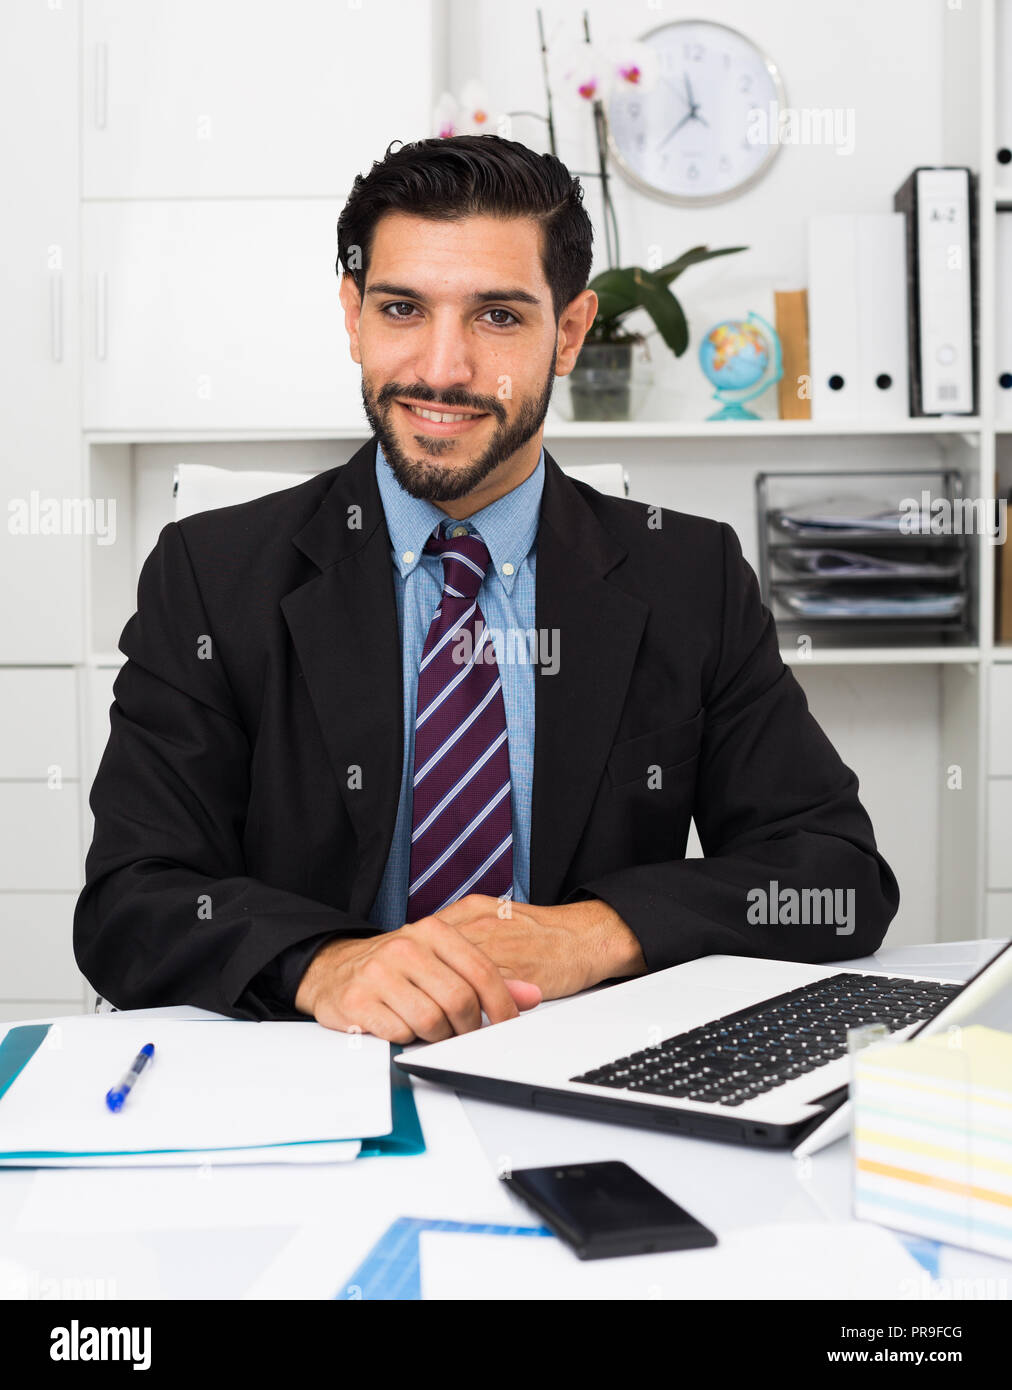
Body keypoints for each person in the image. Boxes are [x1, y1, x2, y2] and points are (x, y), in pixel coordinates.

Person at [74, 134, 899, 1043]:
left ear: (570, 333)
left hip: (583, 1069)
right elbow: (132, 901)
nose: (442, 369)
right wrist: (322, 964)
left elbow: (833, 881)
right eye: (401, 309)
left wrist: (597, 933)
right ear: (353, 318)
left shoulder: (689, 577)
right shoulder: (211, 574)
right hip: (308, 1072)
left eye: (498, 317)